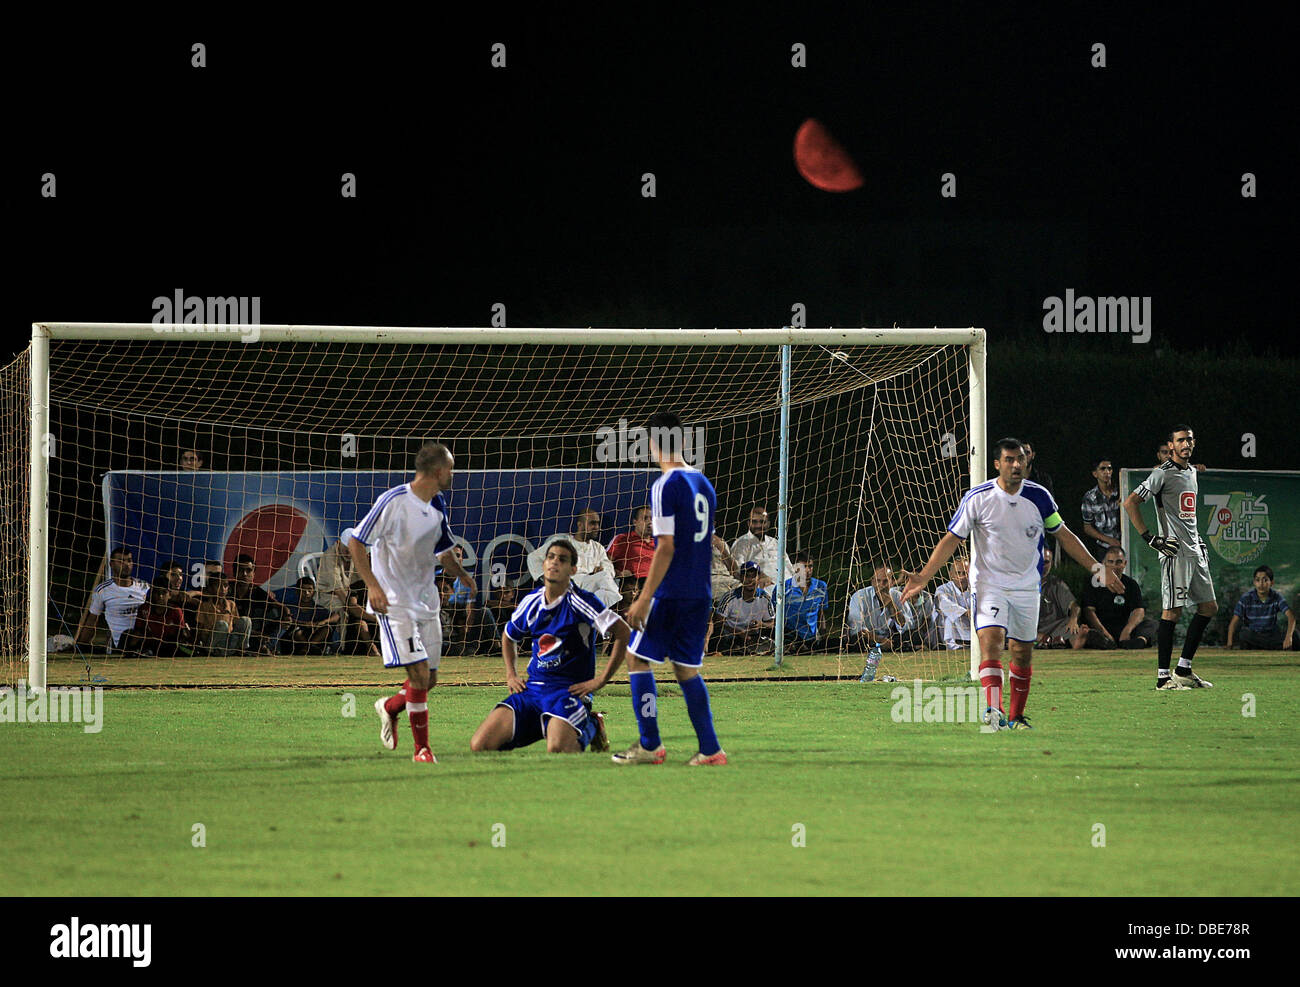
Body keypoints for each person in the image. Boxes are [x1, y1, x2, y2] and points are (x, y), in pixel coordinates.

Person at [902, 437, 1123, 730]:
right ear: (997, 464)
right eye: (1009, 459)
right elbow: (952, 539)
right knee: (991, 643)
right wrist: (924, 576)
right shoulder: (977, 498)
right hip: (989, 584)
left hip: (1027, 587)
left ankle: (1017, 717)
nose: (1016, 465)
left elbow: (1065, 535)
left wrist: (1098, 569)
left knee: (1021, 651)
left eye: (1020, 459)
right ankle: (994, 711)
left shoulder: (1040, 497)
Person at [615, 411, 726, 766]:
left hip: (672, 591)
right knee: (685, 669)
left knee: (636, 657)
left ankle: (650, 745)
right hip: (700, 591)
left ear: (652, 444)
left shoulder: (665, 485)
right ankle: (711, 750)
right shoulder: (703, 483)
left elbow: (665, 546)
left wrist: (644, 598)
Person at [356, 442, 477, 764]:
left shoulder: (437, 503)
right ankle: (422, 750)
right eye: (451, 468)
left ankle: (390, 707)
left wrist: (462, 575)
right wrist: (372, 587)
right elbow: (356, 541)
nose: (453, 474)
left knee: (429, 679)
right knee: (421, 677)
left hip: (426, 602)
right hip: (394, 604)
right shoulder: (393, 501)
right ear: (438, 471)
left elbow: (443, 551)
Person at [469, 539, 626, 754]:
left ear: (573, 569)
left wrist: (601, 680)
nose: (554, 563)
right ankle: (543, 726)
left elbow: (623, 632)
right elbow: (508, 636)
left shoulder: (582, 601)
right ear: (543, 565)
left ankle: (592, 724)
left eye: (562, 559)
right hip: (533, 690)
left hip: (569, 691)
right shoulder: (531, 601)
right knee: (480, 746)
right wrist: (511, 675)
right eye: (550, 557)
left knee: (558, 749)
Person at [1123, 424, 1217, 690]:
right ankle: (1163, 678)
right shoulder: (1161, 473)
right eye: (1180, 440)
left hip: (1194, 549)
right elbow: (1130, 503)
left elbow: (1188, 515)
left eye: (1189, 439)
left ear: (1193, 443)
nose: (1185, 444)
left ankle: (1183, 670)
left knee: (1209, 608)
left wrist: (1198, 541)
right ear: (1171, 446)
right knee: (1172, 612)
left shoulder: (1191, 472)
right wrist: (1150, 538)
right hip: (1175, 552)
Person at [527, 508, 621, 607]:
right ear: (580, 524)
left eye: (598, 524)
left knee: (605, 582)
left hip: (588, 586)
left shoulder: (598, 548)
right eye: (592, 523)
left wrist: (602, 569)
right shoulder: (562, 542)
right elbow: (533, 558)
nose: (596, 527)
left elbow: (609, 569)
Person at [75, 547, 150, 654]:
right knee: (128, 635)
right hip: (121, 644)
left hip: (144, 638)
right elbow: (92, 619)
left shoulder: (144, 586)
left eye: (129, 560)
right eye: (121, 561)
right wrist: (82, 645)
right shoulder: (103, 590)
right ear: (111, 564)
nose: (126, 564)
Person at [1081, 546, 1159, 649]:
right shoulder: (1093, 583)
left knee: (1152, 624)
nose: (1114, 566)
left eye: (1118, 562)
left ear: (1124, 564)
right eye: (1110, 562)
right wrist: (1105, 634)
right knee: (1089, 633)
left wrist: (1127, 630)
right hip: (1101, 630)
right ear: (1104, 564)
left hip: (1124, 631)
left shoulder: (1131, 584)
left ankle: (1139, 641)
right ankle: (1107, 643)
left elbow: (1139, 610)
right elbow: (1089, 612)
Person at [844, 564, 919, 652]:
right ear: (872, 581)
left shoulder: (898, 596)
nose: (881, 585)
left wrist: (892, 606)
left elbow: (908, 626)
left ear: (892, 582)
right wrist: (880, 641)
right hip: (869, 640)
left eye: (885, 581)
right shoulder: (859, 596)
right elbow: (857, 629)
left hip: (891, 640)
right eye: (878, 581)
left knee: (913, 636)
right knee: (857, 640)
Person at [1227, 565, 1298, 650]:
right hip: (1254, 636)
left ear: (1272, 583)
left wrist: (1288, 637)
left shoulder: (1276, 597)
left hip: (1271, 636)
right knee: (1244, 634)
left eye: (1265, 580)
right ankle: (1273, 648)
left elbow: (1291, 617)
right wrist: (1229, 643)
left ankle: (1271, 647)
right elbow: (1234, 622)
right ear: (1254, 582)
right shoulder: (1246, 598)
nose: (1261, 584)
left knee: (1295, 635)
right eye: (1257, 580)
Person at [711, 562, 776, 654]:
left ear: (758, 579)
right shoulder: (729, 597)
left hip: (754, 634)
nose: (750, 580)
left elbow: (771, 623)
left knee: (779, 632)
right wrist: (739, 632)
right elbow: (718, 622)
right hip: (731, 635)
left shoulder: (765, 598)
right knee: (720, 635)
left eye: (753, 576)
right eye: (747, 576)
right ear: (741, 578)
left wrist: (761, 624)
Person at [228, 554, 283, 655]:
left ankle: (265, 647)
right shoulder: (225, 590)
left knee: (282, 621)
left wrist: (286, 612)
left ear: (253, 573)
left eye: (248, 570)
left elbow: (275, 609)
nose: (244, 574)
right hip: (230, 636)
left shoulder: (259, 593)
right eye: (240, 570)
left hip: (253, 638)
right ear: (234, 572)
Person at [195, 561, 252, 656]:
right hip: (214, 644)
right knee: (222, 625)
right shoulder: (204, 605)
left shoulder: (231, 604)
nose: (222, 589)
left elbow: (237, 624)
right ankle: (209, 652)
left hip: (229, 644)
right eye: (218, 585)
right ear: (210, 588)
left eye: (225, 586)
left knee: (246, 620)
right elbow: (199, 628)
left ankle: (243, 649)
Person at [730, 505, 794, 588]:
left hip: (789, 587)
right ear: (749, 523)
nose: (758, 525)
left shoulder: (775, 542)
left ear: (768, 524)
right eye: (754, 522)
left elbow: (789, 566)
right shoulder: (741, 543)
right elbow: (737, 569)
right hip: (765, 590)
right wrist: (760, 576)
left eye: (762, 522)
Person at [1037, 545, 1086, 649]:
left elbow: (1074, 606)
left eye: (1047, 562)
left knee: (1070, 626)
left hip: (1055, 628)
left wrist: (1073, 620)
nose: (1043, 565)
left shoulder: (1056, 583)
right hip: (1032, 628)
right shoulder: (1022, 584)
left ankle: (1077, 642)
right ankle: (1045, 639)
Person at [278, 575, 341, 654]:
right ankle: (308, 648)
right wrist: (303, 624)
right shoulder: (291, 608)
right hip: (295, 643)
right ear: (297, 591)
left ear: (314, 592)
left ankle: (308, 648)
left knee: (327, 628)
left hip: (314, 639)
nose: (306, 593)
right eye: (303, 590)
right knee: (295, 630)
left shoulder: (318, 609)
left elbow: (337, 616)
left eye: (309, 590)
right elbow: (285, 621)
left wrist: (323, 622)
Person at [783, 549, 829, 653]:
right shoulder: (784, 588)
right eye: (804, 567)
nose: (808, 570)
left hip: (810, 638)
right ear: (795, 568)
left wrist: (823, 634)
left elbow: (821, 613)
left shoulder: (821, 586)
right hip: (789, 638)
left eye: (810, 566)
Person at [135, 576, 191, 657]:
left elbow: (182, 634)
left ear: (170, 595)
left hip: (169, 646)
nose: (160, 596)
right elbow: (138, 631)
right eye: (157, 592)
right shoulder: (144, 609)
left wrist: (186, 634)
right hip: (150, 644)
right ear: (152, 593)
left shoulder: (175, 611)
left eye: (164, 593)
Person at [1080, 458, 1122, 562]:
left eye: (1109, 469)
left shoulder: (1122, 491)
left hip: (1126, 543)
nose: (1107, 472)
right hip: (1104, 547)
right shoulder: (1090, 497)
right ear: (1095, 474)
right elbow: (1087, 527)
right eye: (1102, 469)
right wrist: (1109, 540)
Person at [607, 505, 656, 580]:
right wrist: (618, 573)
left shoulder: (659, 543)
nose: (650, 522)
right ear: (635, 522)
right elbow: (605, 563)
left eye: (652, 519)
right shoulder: (622, 539)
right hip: (633, 585)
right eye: (645, 518)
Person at [934, 557, 973, 651]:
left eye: (965, 573)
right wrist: (965, 612)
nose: (962, 577)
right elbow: (943, 603)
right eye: (958, 573)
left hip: (973, 626)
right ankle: (953, 646)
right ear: (951, 574)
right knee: (949, 618)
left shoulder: (975, 589)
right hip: (950, 629)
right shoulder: (942, 589)